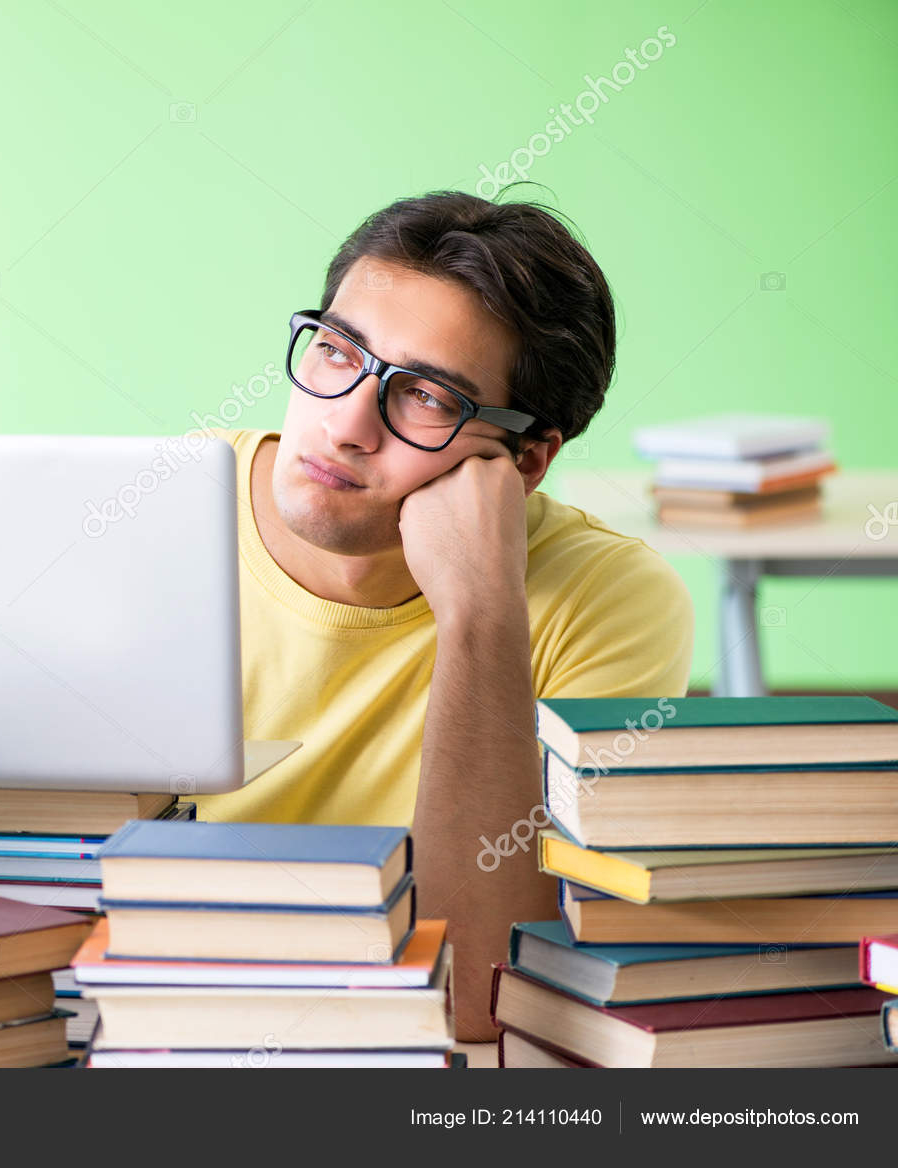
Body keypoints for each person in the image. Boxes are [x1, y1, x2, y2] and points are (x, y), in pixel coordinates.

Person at [194, 190, 693, 1041]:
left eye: (425, 396)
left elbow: (482, 992)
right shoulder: (156, 512)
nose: (346, 423)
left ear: (525, 459)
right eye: (337, 351)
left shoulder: (612, 599)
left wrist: (480, 611)